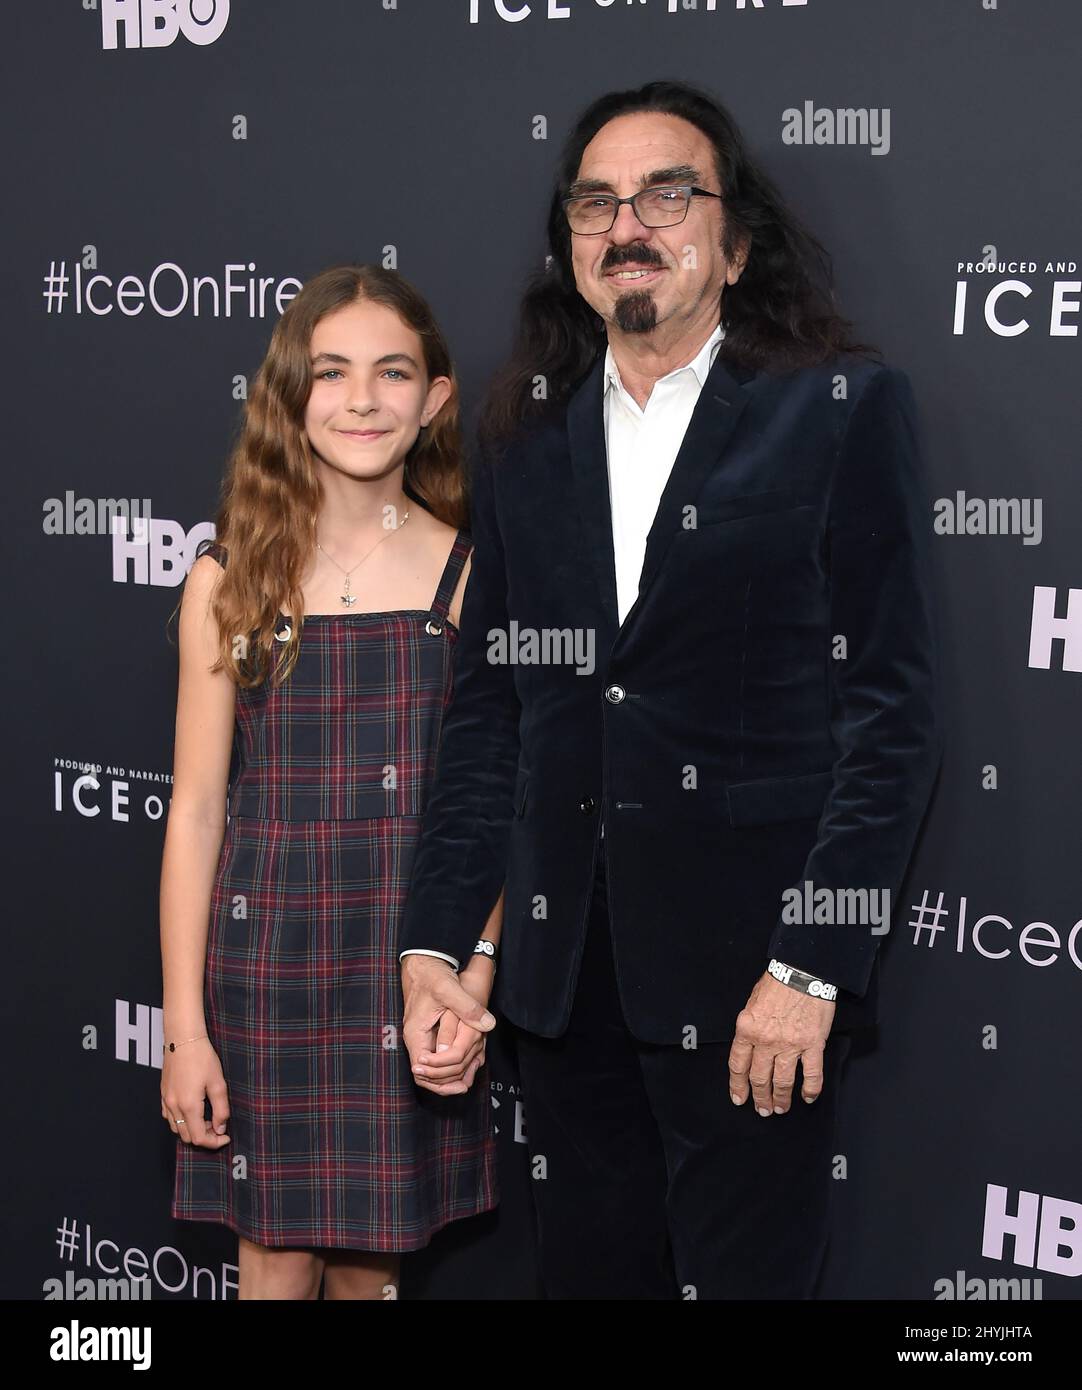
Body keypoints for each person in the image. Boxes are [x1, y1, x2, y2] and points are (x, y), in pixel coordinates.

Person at [398, 81, 941, 1299]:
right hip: (562, 985)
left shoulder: (838, 411)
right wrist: (440, 936)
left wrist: (809, 966)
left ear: (733, 240)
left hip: (752, 983)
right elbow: (492, 708)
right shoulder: (521, 433)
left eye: (663, 192)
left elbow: (891, 719)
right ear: (570, 242)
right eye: (594, 200)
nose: (625, 222)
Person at [161, 264, 500, 1301]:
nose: (361, 399)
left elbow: (492, 802)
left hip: (408, 965)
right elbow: (198, 809)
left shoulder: (473, 576)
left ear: (435, 398)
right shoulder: (230, 578)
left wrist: (469, 978)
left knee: (372, 1271)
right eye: (332, 372)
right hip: (264, 967)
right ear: (288, 397)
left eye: (392, 373)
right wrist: (184, 1028)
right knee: (270, 1265)